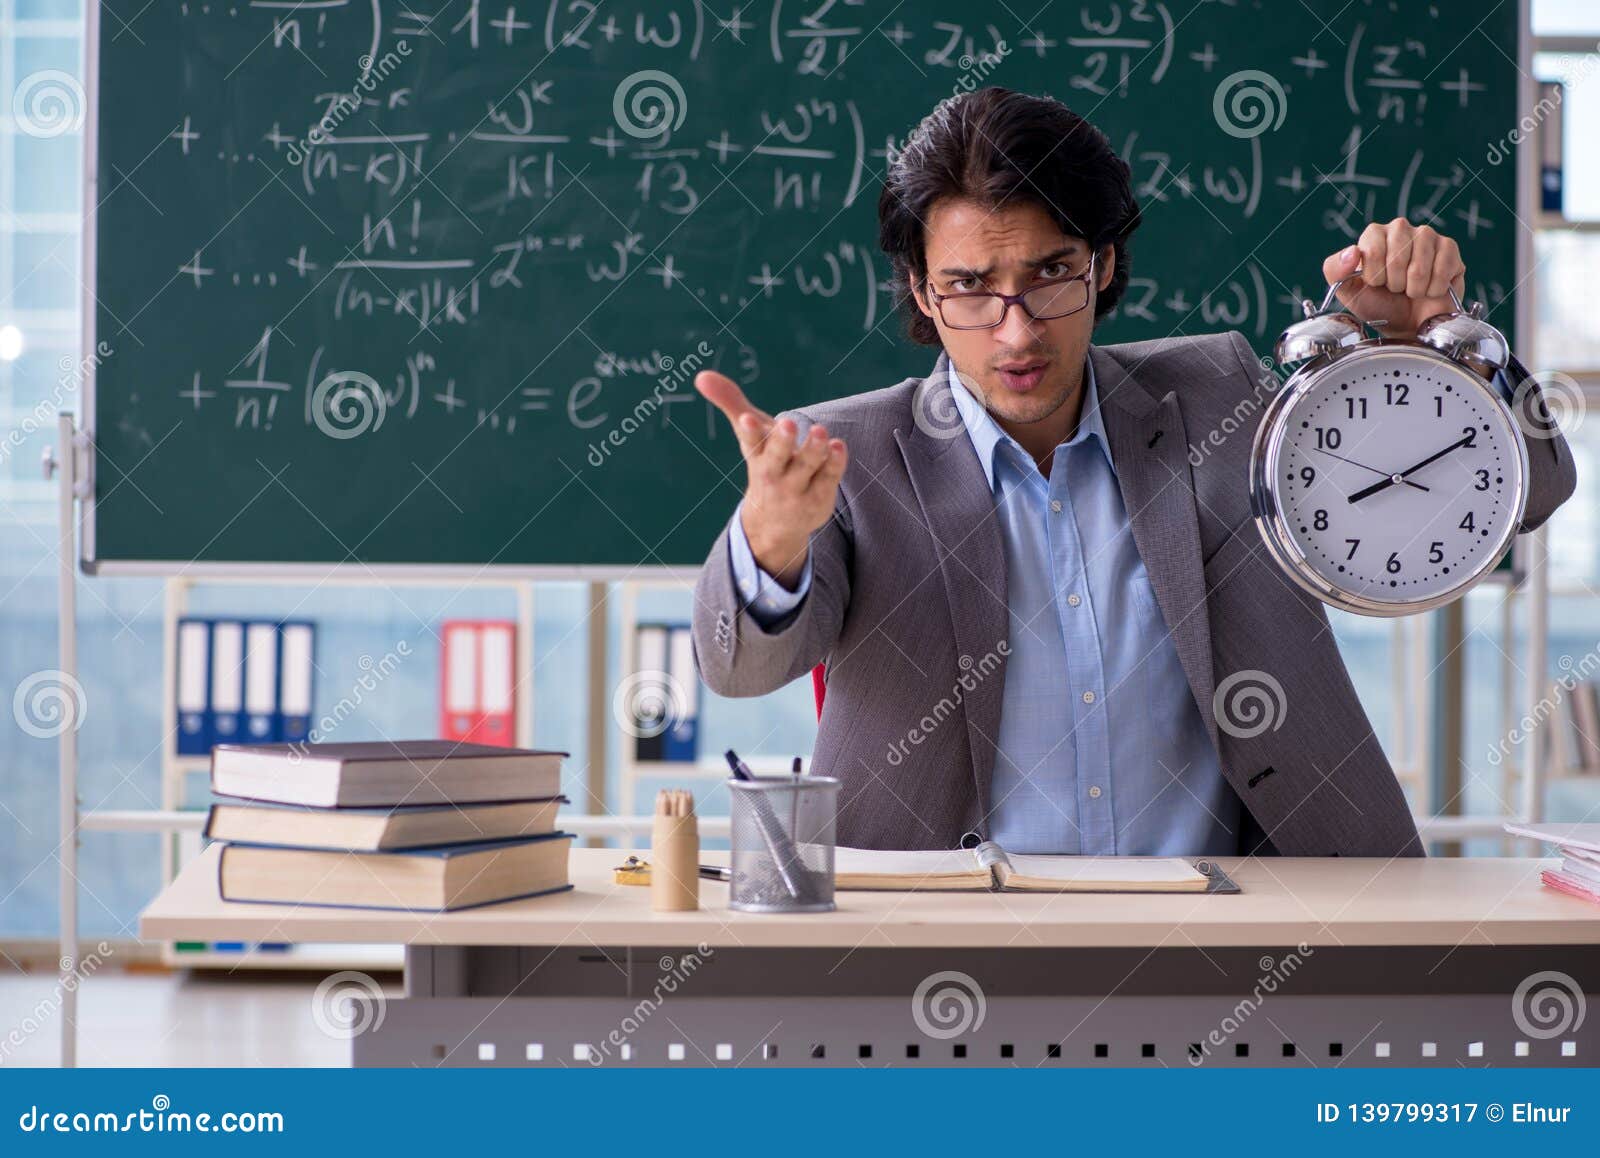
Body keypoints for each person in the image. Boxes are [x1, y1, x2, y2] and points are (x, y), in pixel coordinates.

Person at [689, 87, 1575, 856]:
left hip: (1241, 927)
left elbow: (1531, 492)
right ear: (922, 291)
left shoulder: (1219, 399)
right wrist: (769, 540)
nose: (1018, 331)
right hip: (942, 936)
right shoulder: (850, 455)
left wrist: (1430, 348)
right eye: (969, 287)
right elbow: (736, 668)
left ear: (1104, 263)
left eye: (1051, 273)